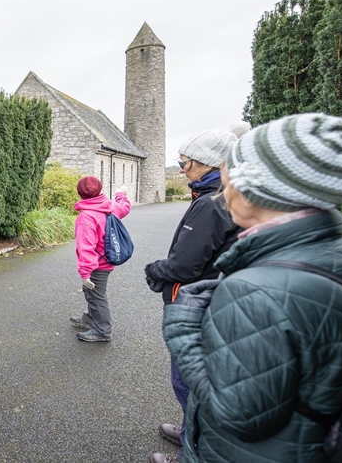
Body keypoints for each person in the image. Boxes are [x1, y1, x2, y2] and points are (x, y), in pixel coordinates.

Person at [162, 113, 342, 463]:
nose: (224, 189)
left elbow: (241, 417)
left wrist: (184, 328)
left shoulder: (252, 287)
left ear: (255, 190)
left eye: (230, 177)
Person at [144, 128, 242, 463]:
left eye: (185, 162)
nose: (182, 169)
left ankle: (193, 451)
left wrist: (155, 271)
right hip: (216, 301)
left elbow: (184, 265)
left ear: (208, 164)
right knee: (198, 381)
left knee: (189, 382)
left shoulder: (211, 203)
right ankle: (190, 433)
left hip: (198, 306)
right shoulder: (218, 195)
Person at [69, 176, 131, 342]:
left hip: (98, 265)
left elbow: (86, 248)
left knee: (97, 296)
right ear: (100, 190)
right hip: (108, 260)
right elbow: (124, 208)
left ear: (80, 195)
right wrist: (121, 194)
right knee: (92, 293)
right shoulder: (110, 206)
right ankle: (90, 317)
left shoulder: (86, 217)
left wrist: (85, 273)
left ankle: (103, 330)